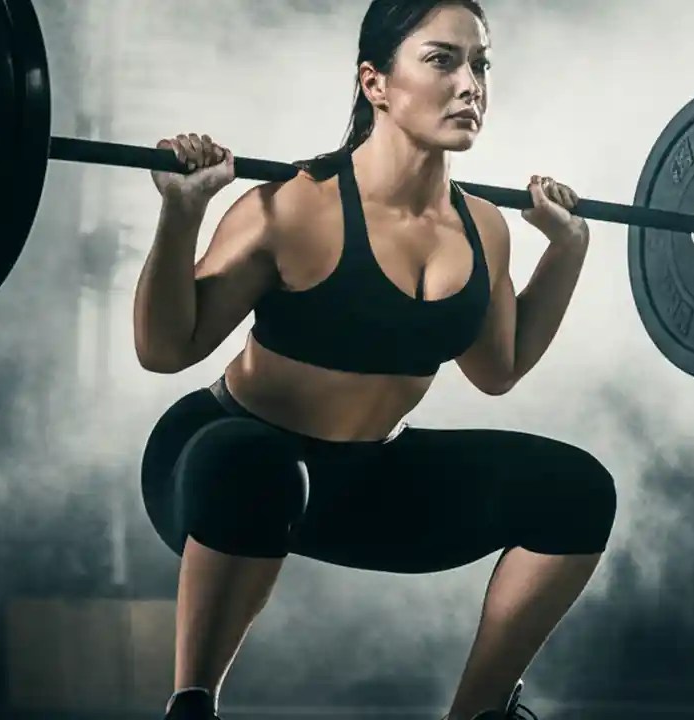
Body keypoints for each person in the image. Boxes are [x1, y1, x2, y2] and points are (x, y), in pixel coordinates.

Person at [133, 1, 616, 718]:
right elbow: (163, 349)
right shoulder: (293, 208)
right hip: (216, 469)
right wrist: (181, 214)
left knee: (578, 493)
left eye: (480, 64)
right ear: (376, 83)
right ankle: (191, 704)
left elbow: (498, 371)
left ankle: (480, 714)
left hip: (364, 482)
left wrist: (567, 252)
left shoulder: (483, 228)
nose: (470, 85)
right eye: (442, 59)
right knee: (258, 467)